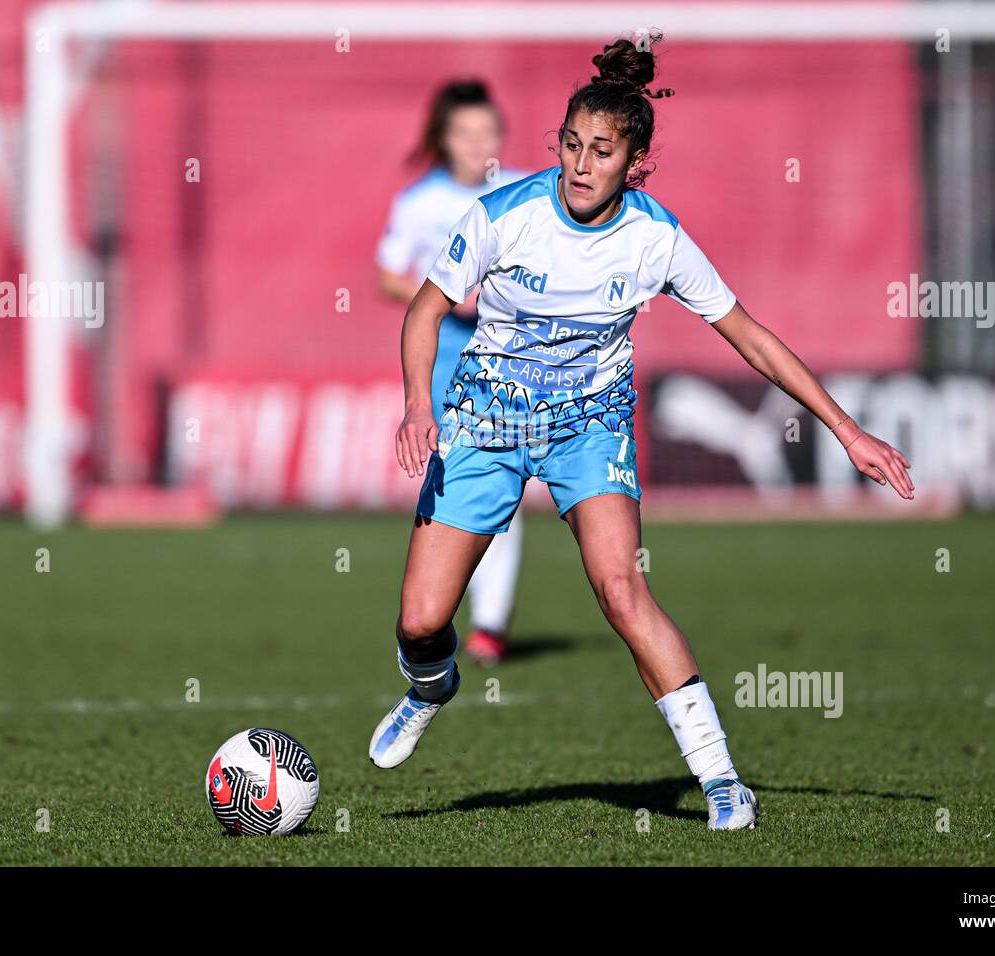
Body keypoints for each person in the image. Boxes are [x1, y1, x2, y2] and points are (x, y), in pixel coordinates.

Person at [370, 35, 914, 831]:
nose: (581, 163)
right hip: (485, 418)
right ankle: (429, 687)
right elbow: (424, 309)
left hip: (589, 426)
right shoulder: (501, 214)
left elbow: (751, 336)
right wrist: (421, 405)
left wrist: (847, 431)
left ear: (635, 160)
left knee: (622, 590)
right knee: (420, 620)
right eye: (570, 144)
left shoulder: (656, 238)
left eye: (602, 150)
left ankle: (722, 779)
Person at [376, 79, 529, 666]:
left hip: (513, 366)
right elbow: (387, 276)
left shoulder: (522, 192)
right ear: (444, 139)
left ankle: (490, 623)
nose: (476, 143)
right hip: (442, 365)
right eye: (464, 132)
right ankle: (437, 616)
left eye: (486, 131)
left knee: (502, 484)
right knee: (451, 487)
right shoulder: (419, 203)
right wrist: (446, 295)